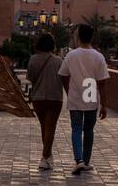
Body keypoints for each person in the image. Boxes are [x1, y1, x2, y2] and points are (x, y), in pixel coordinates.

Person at [58, 23, 109, 174]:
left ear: (78, 37)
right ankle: (86, 161)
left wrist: (68, 90)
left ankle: (78, 160)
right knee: (88, 130)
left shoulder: (71, 55)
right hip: (91, 95)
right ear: (92, 37)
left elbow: (63, 75)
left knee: (76, 128)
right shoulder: (98, 57)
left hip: (75, 96)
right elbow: (102, 83)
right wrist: (104, 105)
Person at [27, 32, 64, 170]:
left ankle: (47, 157)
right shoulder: (58, 61)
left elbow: (30, 77)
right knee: (50, 128)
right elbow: (64, 78)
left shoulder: (33, 60)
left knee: (44, 127)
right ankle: (45, 157)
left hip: (38, 98)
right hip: (55, 98)